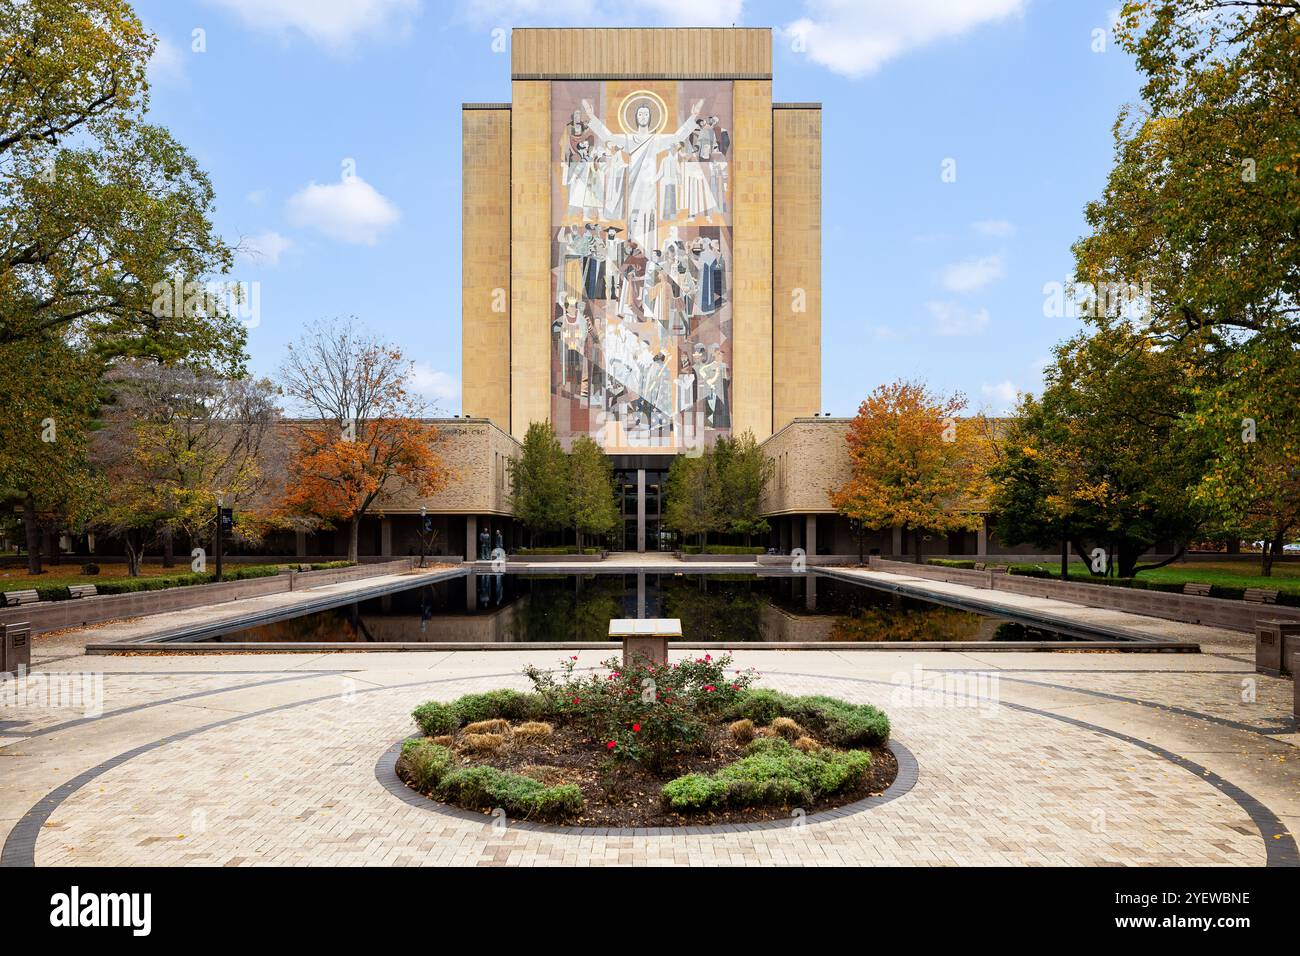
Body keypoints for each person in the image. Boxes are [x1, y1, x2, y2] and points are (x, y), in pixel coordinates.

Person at [580, 96, 705, 253]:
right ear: (635, 117)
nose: (643, 116)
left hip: (649, 187)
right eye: (640, 114)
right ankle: (632, 254)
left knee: (649, 221)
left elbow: (677, 137)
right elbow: (609, 136)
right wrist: (592, 117)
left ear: (651, 117)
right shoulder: (629, 139)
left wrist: (693, 116)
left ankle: (650, 254)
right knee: (633, 222)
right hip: (633, 186)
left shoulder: (656, 140)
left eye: (646, 114)